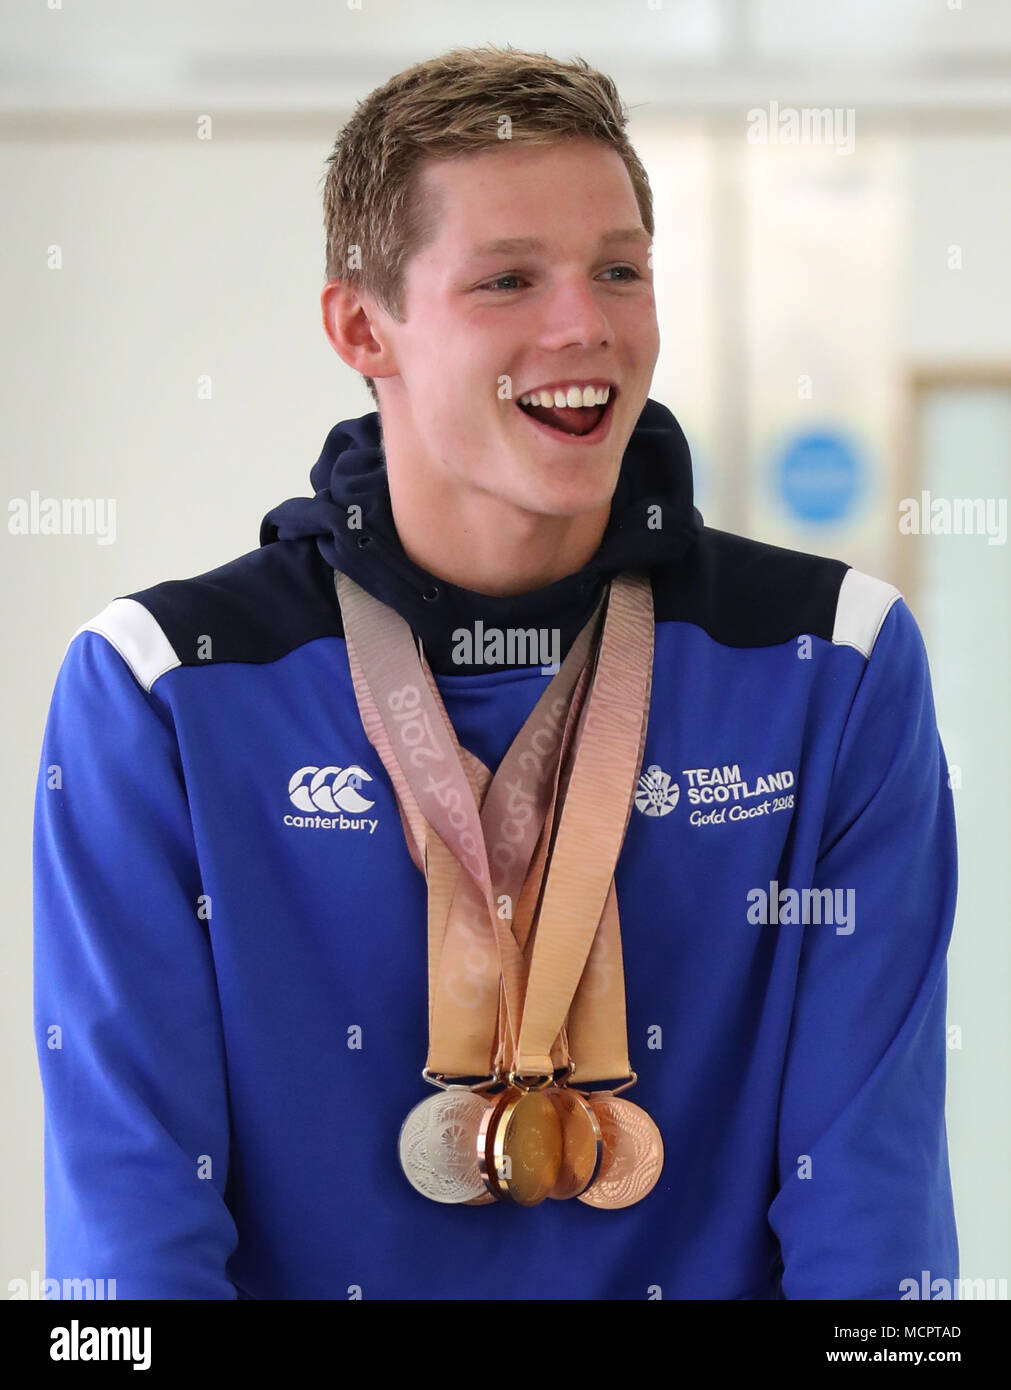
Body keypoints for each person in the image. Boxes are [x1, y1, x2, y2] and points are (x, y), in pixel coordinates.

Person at [33, 45, 958, 1300]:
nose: (584, 323)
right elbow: (131, 1246)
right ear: (364, 327)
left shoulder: (831, 664)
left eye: (620, 270)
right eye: (508, 279)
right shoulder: (160, 691)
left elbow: (874, 1215)